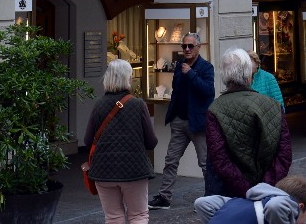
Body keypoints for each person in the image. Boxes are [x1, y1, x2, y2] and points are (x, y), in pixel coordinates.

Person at [205, 48, 292, 198]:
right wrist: (265, 186)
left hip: (230, 194)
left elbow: (220, 159)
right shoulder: (274, 106)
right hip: (268, 192)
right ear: (249, 75)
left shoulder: (215, 110)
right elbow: (284, 154)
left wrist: (245, 190)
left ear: (225, 76)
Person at [84, 60, 158, 224]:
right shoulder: (138, 105)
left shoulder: (98, 105)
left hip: (104, 171)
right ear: (128, 78)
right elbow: (151, 142)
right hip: (134, 170)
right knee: (138, 215)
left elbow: (87, 140)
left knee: (113, 217)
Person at [149, 32, 215, 210]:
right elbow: (177, 90)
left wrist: (192, 74)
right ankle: (164, 197)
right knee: (171, 160)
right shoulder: (179, 66)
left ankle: (210, 197)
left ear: (198, 47)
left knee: (205, 162)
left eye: (190, 46)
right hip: (179, 121)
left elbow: (209, 92)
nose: (186, 49)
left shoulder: (206, 67)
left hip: (198, 123)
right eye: (184, 46)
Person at [194, 176, 306, 223]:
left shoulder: (239, 203)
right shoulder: (285, 204)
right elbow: (275, 206)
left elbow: (202, 203)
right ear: (299, 206)